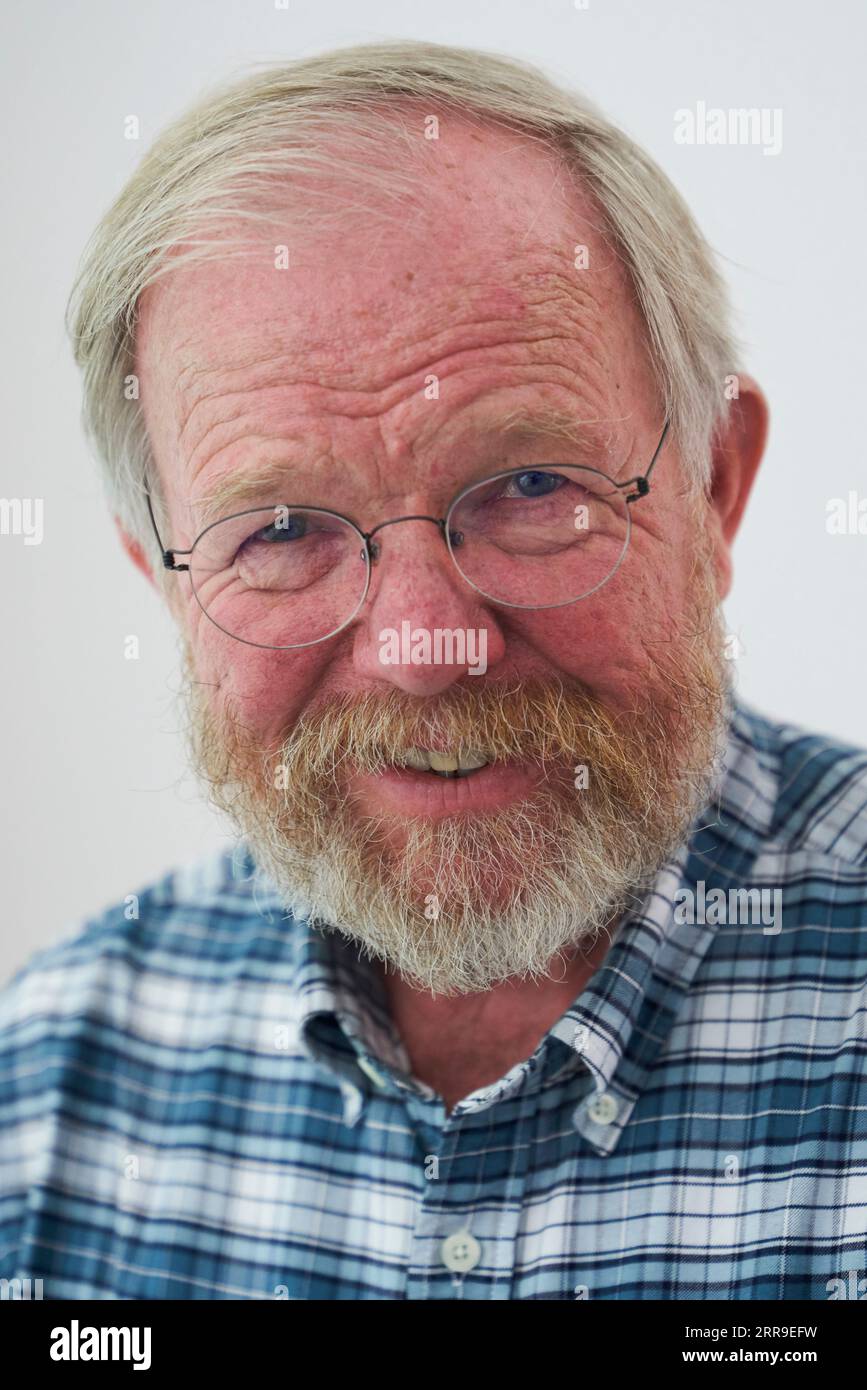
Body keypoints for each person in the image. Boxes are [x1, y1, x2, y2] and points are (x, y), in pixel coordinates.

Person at [2, 40, 865, 1301]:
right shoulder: (48, 1090)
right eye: (282, 530)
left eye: (529, 486)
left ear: (716, 490)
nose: (422, 647)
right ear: (170, 583)